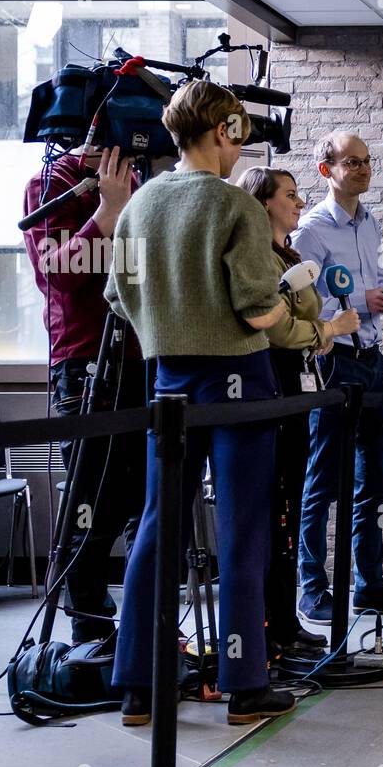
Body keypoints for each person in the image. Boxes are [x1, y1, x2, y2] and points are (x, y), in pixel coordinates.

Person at [103, 80, 296, 725]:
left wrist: (163, 326)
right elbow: (258, 309)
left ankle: (137, 686)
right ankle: (244, 686)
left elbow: (115, 295)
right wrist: (293, 302)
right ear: (222, 133)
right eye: (239, 132)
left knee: (158, 526)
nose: (243, 145)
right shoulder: (234, 207)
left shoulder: (140, 205)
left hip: (166, 381)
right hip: (238, 381)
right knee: (242, 531)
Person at [291, 131, 383, 622]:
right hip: (333, 362)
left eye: (367, 161)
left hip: (372, 359)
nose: (364, 169)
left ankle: (369, 584)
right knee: (322, 481)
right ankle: (311, 588)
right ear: (327, 170)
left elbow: (364, 294)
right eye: (353, 162)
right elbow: (294, 303)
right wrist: (356, 303)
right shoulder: (309, 231)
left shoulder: (370, 225)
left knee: (374, 480)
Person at [235, 166, 360, 667]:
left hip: (295, 386)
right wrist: (326, 330)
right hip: (268, 385)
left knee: (288, 503)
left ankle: (285, 624)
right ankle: (266, 630)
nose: (298, 201)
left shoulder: (291, 254)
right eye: (288, 195)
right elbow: (278, 325)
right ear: (262, 203)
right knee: (274, 511)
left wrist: (318, 327)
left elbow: (300, 316)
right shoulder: (254, 258)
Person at [22, 145, 146, 644]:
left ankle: (143, 624)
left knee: (145, 501)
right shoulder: (52, 183)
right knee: (90, 504)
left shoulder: (138, 179)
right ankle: (90, 633)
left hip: (145, 356)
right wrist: (106, 212)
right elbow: (56, 274)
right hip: (86, 361)